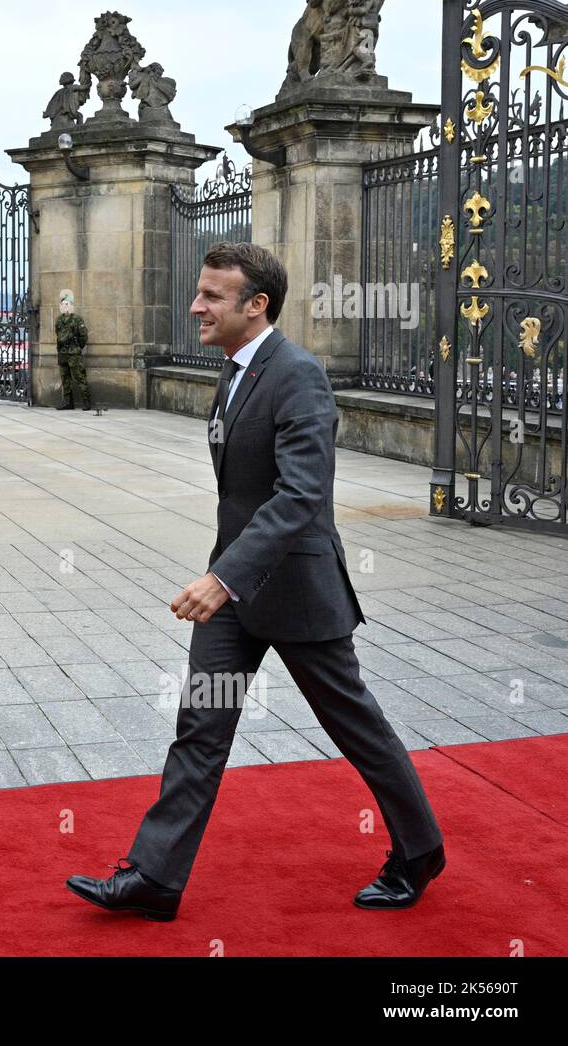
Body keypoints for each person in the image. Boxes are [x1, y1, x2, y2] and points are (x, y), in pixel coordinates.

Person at [65, 242, 445, 921]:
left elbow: (302, 497)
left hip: (295, 592)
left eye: (212, 295)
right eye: (198, 291)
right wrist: (227, 579)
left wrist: (224, 577)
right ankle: (154, 877)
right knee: (201, 726)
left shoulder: (297, 375)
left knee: (357, 728)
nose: (195, 305)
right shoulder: (235, 370)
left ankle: (418, 852)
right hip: (235, 596)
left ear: (256, 304)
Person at [55, 291, 91, 411]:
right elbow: (58, 335)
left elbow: (83, 337)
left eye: (66, 304)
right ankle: (68, 402)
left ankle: (86, 401)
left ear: (70, 305)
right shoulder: (59, 320)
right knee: (65, 379)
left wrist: (76, 348)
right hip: (63, 353)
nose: (63, 307)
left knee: (79, 377)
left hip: (74, 353)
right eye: (62, 304)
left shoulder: (77, 319)